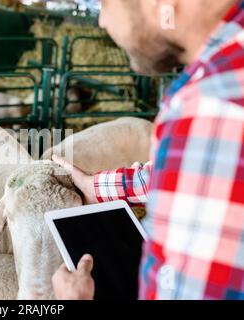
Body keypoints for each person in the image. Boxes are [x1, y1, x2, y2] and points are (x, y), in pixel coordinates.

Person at [52, 0, 244, 300]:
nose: (102, 21)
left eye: (103, 3)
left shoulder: (211, 107)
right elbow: (200, 173)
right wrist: (97, 187)